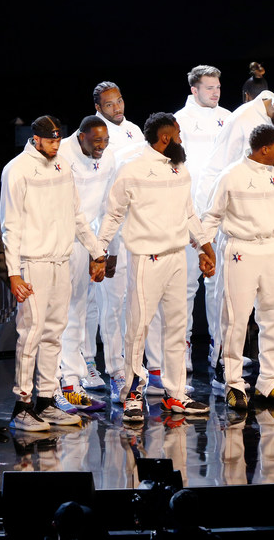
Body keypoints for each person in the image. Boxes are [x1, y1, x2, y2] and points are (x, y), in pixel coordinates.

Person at [97, 113, 216, 422]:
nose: (181, 140)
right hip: (146, 259)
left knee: (177, 328)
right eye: (178, 134)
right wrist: (100, 252)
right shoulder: (131, 171)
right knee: (138, 328)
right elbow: (112, 215)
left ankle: (176, 394)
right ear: (165, 138)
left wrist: (205, 245)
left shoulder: (180, 170)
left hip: (177, 257)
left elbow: (189, 213)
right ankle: (133, 394)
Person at [0, 115, 105, 431]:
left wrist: (97, 250)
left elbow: (76, 215)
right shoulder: (16, 171)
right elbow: (10, 227)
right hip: (32, 264)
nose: (56, 145)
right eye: (50, 141)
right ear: (36, 139)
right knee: (30, 333)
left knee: (54, 332)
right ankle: (22, 405)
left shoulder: (63, 166)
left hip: (61, 261)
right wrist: (14, 273)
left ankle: (46, 401)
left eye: (59, 140)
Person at [200, 124, 274, 410]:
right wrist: (206, 249)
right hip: (241, 250)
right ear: (264, 149)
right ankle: (235, 383)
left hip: (272, 249)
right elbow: (211, 216)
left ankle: (269, 382)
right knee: (236, 319)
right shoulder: (231, 176)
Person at [173, 65, 231, 375]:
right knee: (185, 288)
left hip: (220, 215)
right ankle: (180, 351)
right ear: (194, 90)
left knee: (219, 286)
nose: (215, 92)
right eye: (209, 87)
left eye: (218, 87)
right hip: (189, 216)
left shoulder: (228, 118)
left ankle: (219, 349)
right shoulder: (179, 122)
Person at [57, 116, 116, 410]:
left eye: (105, 141)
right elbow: (72, 212)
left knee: (77, 313)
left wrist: (102, 248)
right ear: (81, 137)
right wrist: (98, 252)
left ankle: (71, 382)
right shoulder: (62, 156)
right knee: (56, 317)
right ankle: (56, 385)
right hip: (57, 242)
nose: (102, 147)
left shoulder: (108, 157)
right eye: (96, 142)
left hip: (86, 241)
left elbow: (109, 208)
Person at [92, 81, 146, 402]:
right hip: (108, 229)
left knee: (135, 303)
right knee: (110, 306)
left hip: (135, 229)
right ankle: (114, 371)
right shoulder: (94, 136)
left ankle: (134, 367)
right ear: (98, 108)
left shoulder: (135, 131)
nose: (117, 108)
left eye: (120, 101)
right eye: (109, 104)